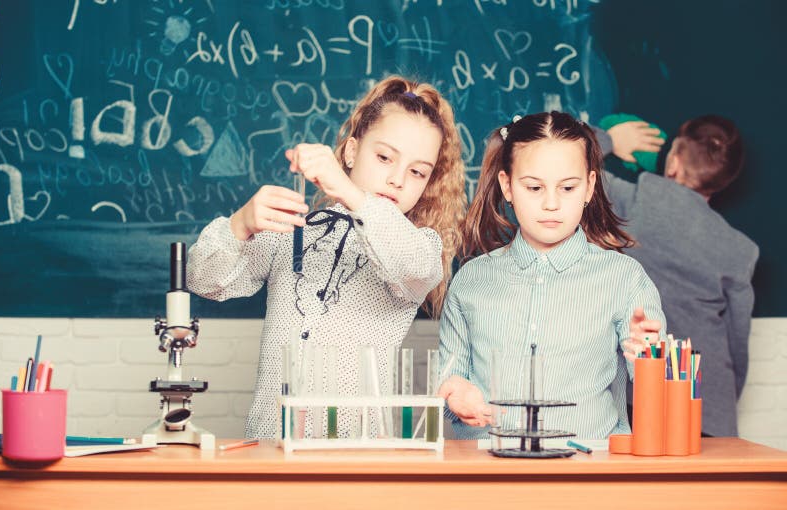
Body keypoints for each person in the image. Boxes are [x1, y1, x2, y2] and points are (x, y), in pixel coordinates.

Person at [187, 76, 467, 439]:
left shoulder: (420, 245)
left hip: (358, 454)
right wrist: (240, 224)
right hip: (272, 444)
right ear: (351, 152)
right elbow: (202, 280)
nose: (397, 179)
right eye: (384, 157)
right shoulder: (292, 230)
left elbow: (411, 264)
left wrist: (351, 192)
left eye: (417, 172)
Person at [437, 111, 665, 440]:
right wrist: (453, 394)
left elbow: (656, 402)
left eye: (568, 188)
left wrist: (651, 358)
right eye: (534, 187)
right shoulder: (471, 281)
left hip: (588, 476)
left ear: (589, 187)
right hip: (487, 473)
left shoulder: (624, 278)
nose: (551, 203)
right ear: (507, 186)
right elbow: (449, 380)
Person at [598, 115, 758, 437]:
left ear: (673, 161)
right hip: (708, 408)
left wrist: (610, 139)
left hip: (636, 400)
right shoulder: (740, 251)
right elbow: (737, 346)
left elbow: (565, 162)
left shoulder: (633, 201)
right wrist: (720, 402)